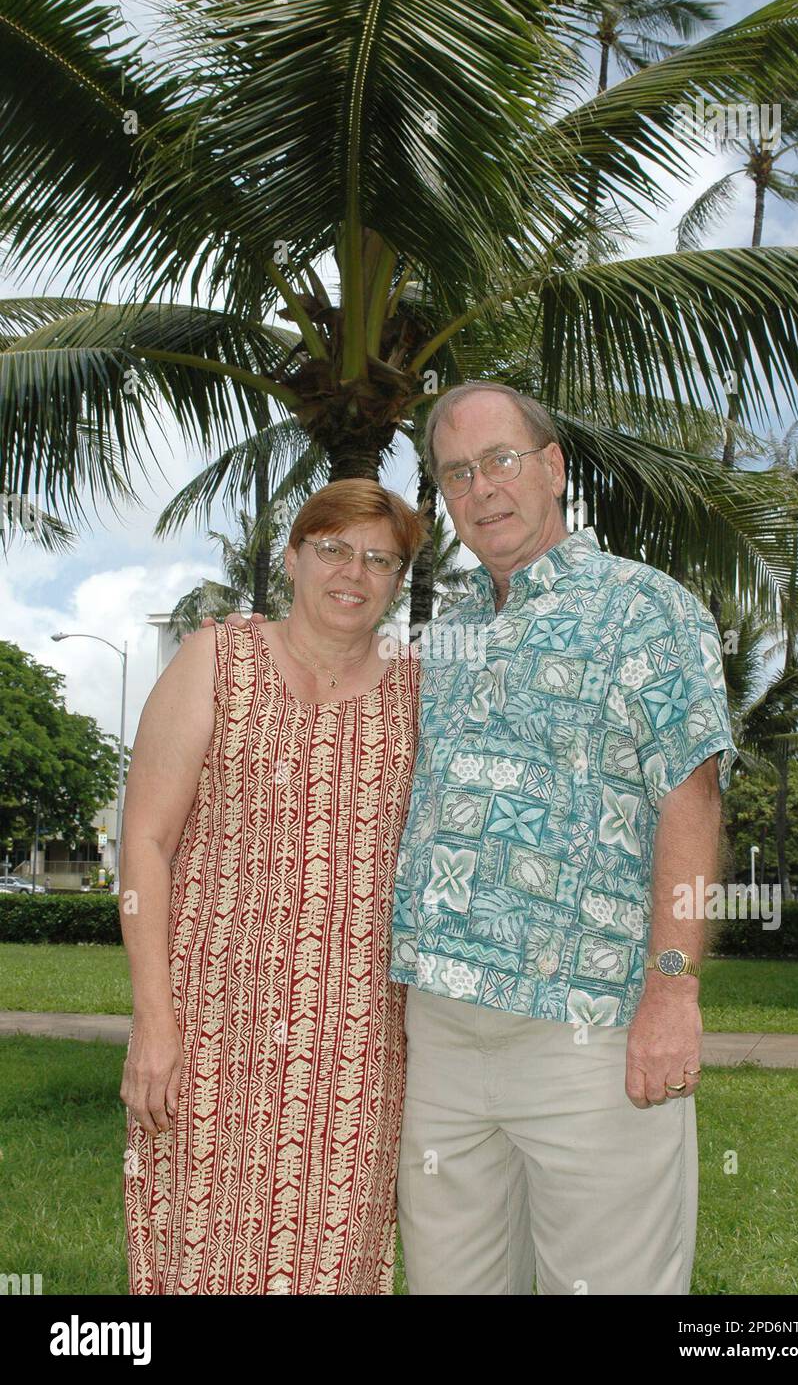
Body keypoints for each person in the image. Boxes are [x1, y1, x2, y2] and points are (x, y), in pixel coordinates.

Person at [390, 381, 738, 1295]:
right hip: (444, 1036)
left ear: (552, 468)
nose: (483, 487)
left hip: (590, 1035)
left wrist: (673, 992)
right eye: (457, 472)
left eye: (501, 460)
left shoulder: (645, 609)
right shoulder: (446, 631)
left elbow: (692, 803)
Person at [119, 479, 427, 1295]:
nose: (352, 573)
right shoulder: (215, 660)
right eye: (332, 549)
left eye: (379, 559)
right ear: (292, 557)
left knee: (333, 1262)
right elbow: (144, 844)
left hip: (358, 1049)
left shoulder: (421, 693)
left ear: (398, 580)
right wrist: (153, 1020)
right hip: (208, 1032)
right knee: (196, 1256)